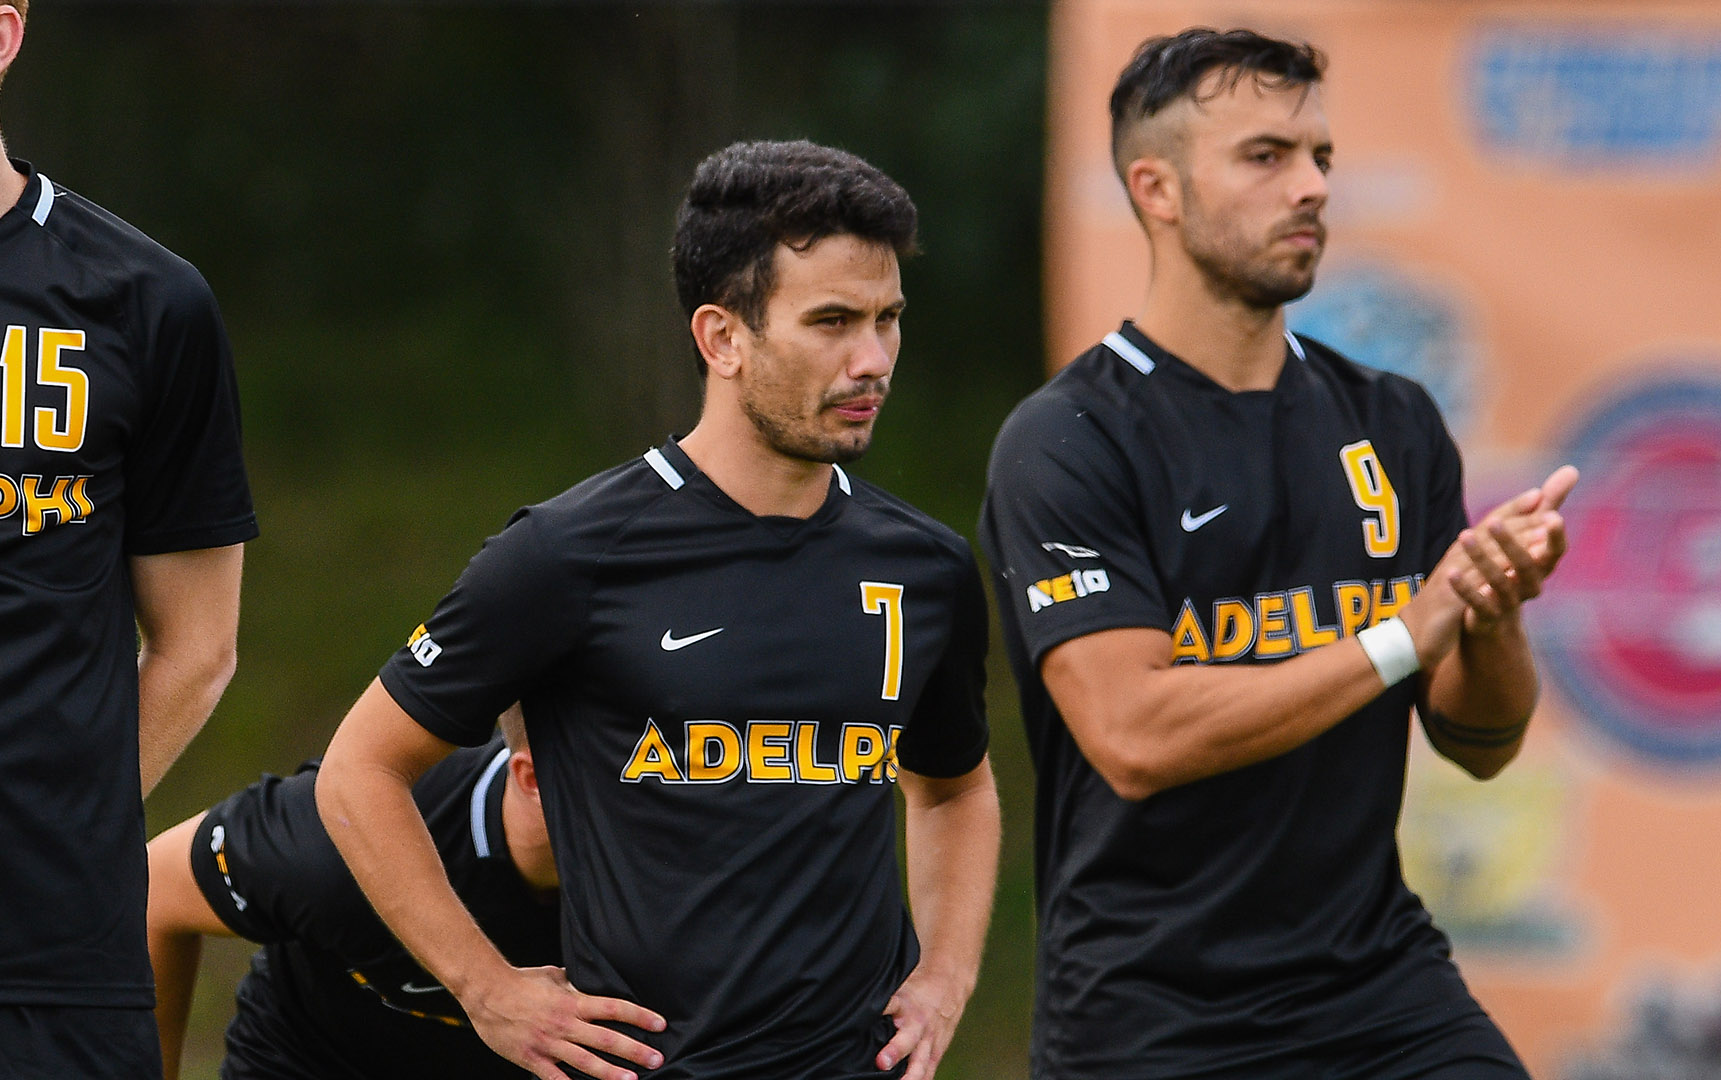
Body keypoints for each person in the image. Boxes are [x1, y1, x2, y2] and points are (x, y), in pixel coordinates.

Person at [313, 139, 1000, 1080]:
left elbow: (955, 787)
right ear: (722, 337)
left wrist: (947, 975)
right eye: (833, 321)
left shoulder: (926, 566)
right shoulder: (565, 555)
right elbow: (359, 773)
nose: (873, 359)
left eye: (888, 319)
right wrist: (488, 989)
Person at [979, 28, 1576, 1080]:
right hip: (1151, 1016)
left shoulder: (1390, 420)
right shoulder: (1070, 438)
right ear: (1156, 189)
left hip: (1377, 988)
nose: (1309, 188)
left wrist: (1491, 607)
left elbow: (1481, 745)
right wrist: (1401, 633)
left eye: (1321, 159)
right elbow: (1135, 732)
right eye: (1265, 157)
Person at [0, 3, 255, 1076]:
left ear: (4, 34)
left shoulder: (147, 302)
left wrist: (72, 823)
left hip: (51, 961)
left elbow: (199, 645)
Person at [146, 708, 558, 1080]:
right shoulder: (337, 845)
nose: (626, 793)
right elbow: (156, 891)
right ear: (534, 778)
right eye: (621, 768)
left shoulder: (619, 886)